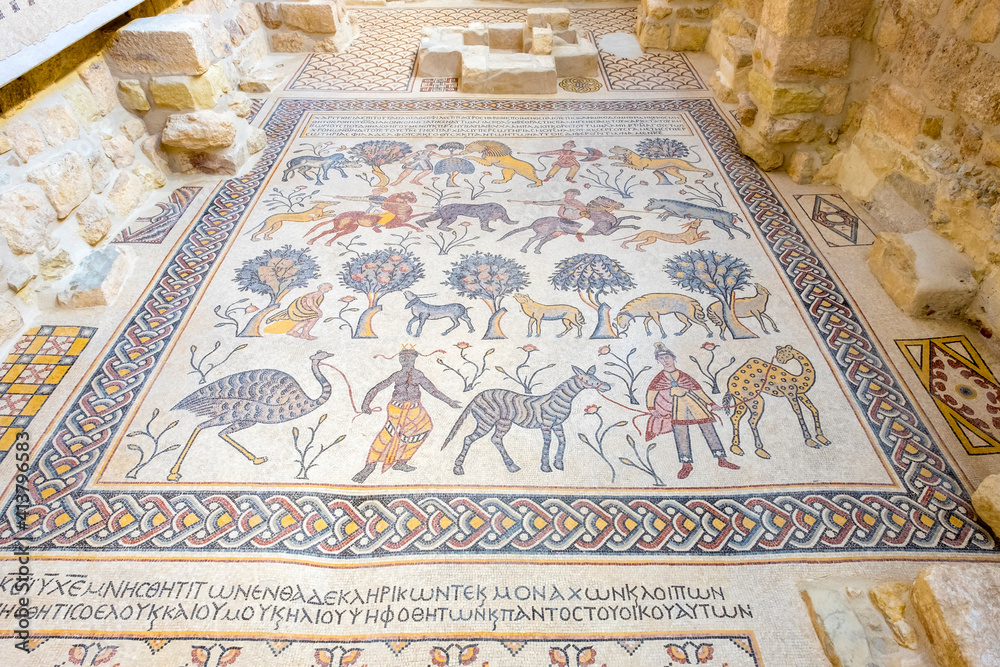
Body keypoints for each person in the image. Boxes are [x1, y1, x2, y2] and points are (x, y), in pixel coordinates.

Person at [353, 347, 461, 483]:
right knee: (387, 435)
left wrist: (449, 401)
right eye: (402, 358)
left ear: (414, 359)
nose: (405, 360)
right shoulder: (396, 375)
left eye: (408, 358)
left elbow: (432, 390)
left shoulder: (418, 375)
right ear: (399, 360)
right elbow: (377, 387)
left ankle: (401, 461)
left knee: (424, 427)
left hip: (415, 409)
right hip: (396, 409)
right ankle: (369, 466)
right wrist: (365, 404)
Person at [645, 343, 740, 480]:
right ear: (658, 361)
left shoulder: (684, 375)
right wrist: (652, 409)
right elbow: (651, 393)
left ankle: (722, 459)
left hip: (693, 404)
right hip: (677, 408)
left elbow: (698, 391)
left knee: (708, 428)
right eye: (661, 358)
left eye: (667, 357)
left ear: (673, 358)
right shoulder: (659, 378)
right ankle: (686, 464)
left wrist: (711, 404)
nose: (665, 360)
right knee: (680, 432)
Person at [265, 282, 332, 340]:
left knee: (308, 319)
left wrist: (316, 310)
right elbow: (310, 303)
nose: (328, 289)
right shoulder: (315, 294)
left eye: (329, 288)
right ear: (321, 286)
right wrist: (318, 311)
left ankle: (293, 331)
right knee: (314, 318)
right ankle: (303, 334)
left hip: (305, 309)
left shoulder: (320, 295)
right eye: (326, 287)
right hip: (300, 309)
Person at [527, 141, 595, 183]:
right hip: (561, 162)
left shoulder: (573, 152)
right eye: (567, 145)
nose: (568, 146)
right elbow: (550, 152)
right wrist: (538, 153)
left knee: (575, 167)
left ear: (572, 147)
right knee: (556, 167)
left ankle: (569, 178)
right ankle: (549, 177)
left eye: (570, 146)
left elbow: (580, 153)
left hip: (571, 162)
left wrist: (588, 154)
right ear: (564, 145)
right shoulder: (559, 151)